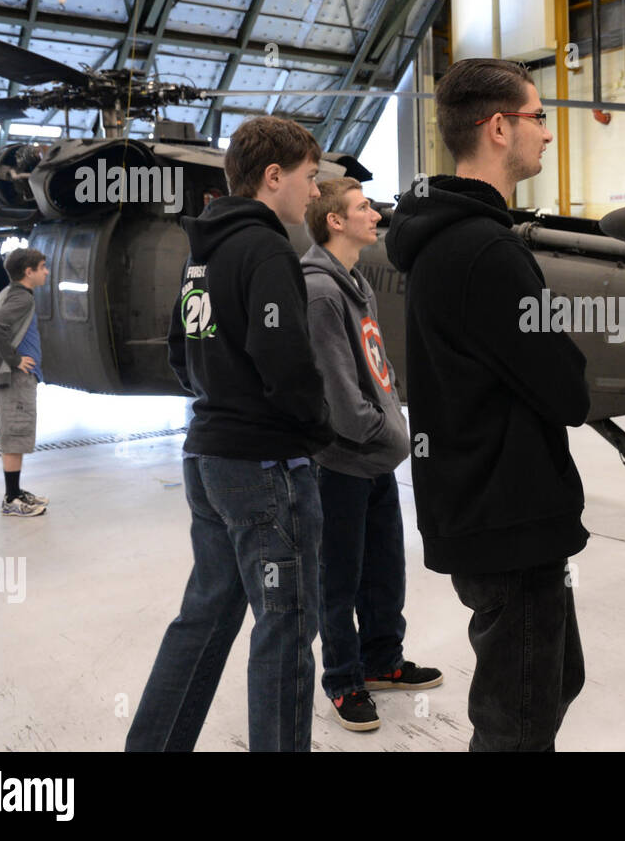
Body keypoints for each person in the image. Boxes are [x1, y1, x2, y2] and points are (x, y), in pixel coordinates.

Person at [385, 58, 590, 751]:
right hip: (509, 518)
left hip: (487, 510)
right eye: (538, 117)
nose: (548, 134)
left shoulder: (446, 240)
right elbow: (566, 388)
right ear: (498, 128)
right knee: (517, 721)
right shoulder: (486, 251)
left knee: (552, 681)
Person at [125, 116, 333, 752]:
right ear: (274, 177)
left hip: (209, 459)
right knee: (284, 630)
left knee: (206, 616)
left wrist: (223, 399)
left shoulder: (203, 250)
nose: (315, 194)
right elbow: (287, 362)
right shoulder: (267, 248)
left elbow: (179, 352)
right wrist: (315, 427)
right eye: (309, 178)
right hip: (266, 468)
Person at [301, 177, 442, 733]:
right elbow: (340, 395)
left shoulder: (354, 279)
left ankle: (383, 660)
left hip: (375, 458)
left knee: (384, 569)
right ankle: (342, 678)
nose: (375, 215)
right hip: (342, 461)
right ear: (335, 221)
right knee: (339, 578)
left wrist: (388, 430)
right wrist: (386, 430)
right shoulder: (321, 291)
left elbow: (373, 369)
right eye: (363, 208)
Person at [0, 248, 50, 517]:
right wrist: (14, 359)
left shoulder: (8, 293)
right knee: (15, 436)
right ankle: (11, 499)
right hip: (16, 379)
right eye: (42, 267)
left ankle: (16, 491)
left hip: (15, 377)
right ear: (28, 272)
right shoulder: (22, 299)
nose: (46, 272)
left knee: (16, 434)